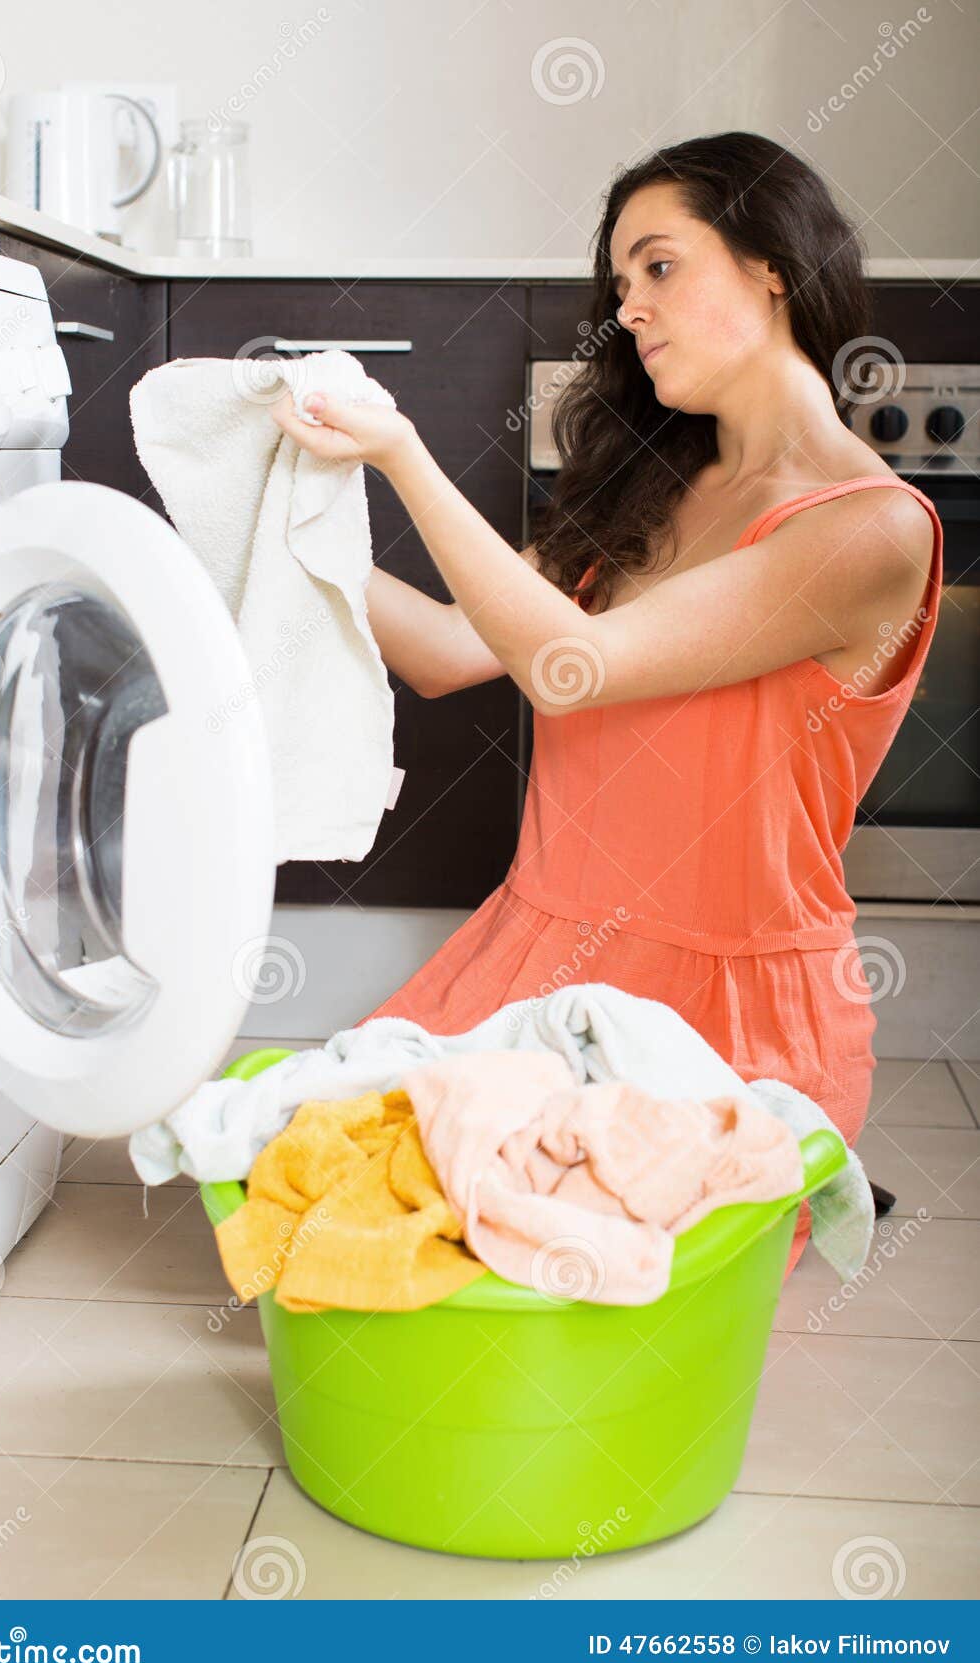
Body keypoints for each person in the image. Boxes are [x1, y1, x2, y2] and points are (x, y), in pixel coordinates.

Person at [271, 131, 943, 1277]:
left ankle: (785, 1151)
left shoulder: (867, 527)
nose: (628, 309)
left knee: (506, 1263)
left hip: (724, 1016)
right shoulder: (651, 488)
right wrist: (270, 536)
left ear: (771, 268)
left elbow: (567, 664)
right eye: (620, 282)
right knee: (317, 1206)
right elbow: (444, 649)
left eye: (659, 267)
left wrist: (401, 455)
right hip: (530, 958)